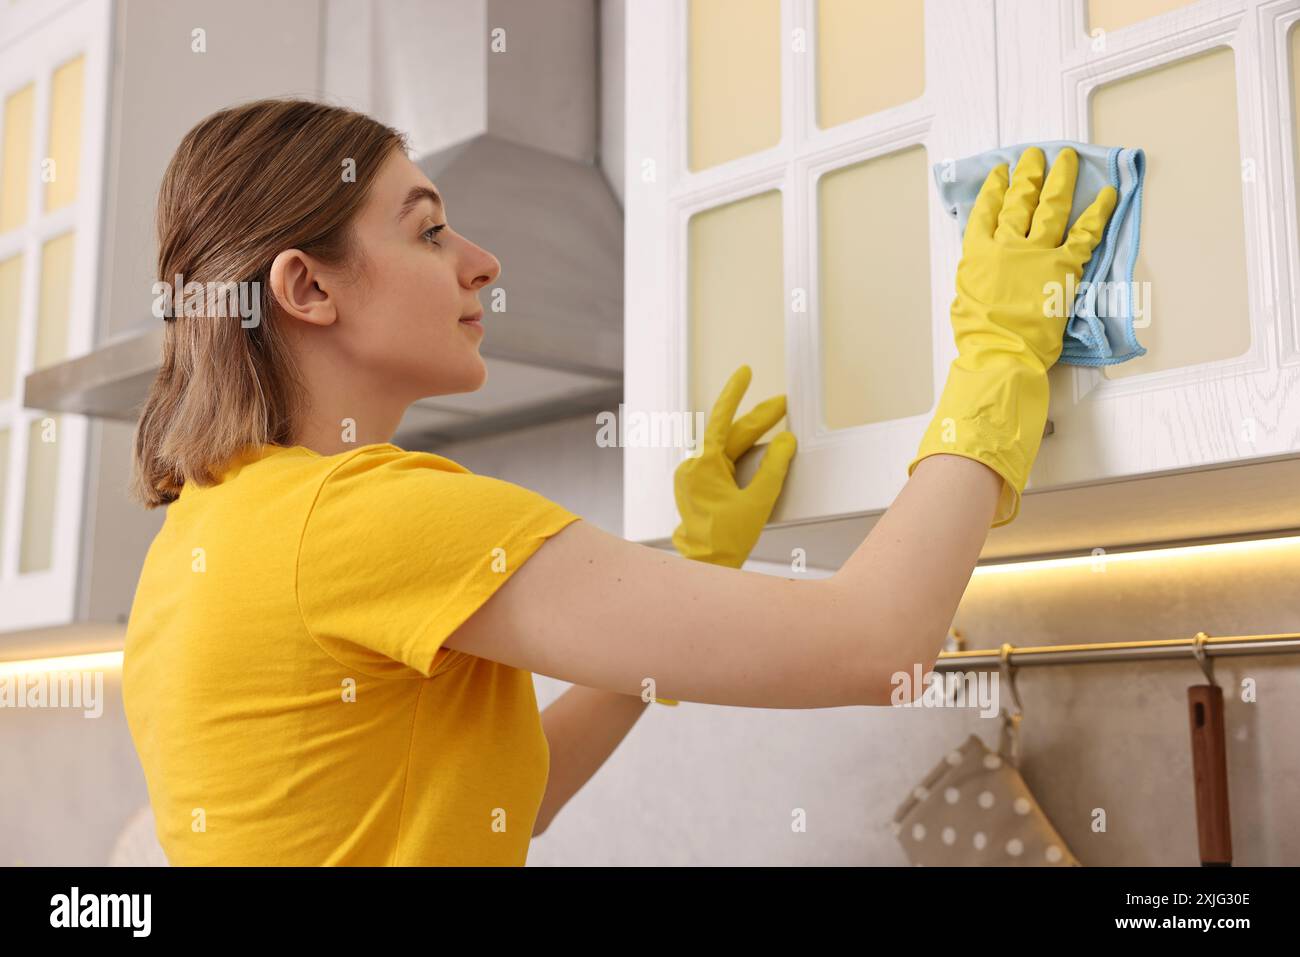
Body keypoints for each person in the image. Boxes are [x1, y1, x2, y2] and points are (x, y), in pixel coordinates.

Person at [122, 98, 1116, 866]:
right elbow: (878, 648)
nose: (482, 262)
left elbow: (516, 795)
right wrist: (998, 358)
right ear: (308, 288)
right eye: (427, 231)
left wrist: (686, 565)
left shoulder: (202, 539)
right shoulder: (361, 515)